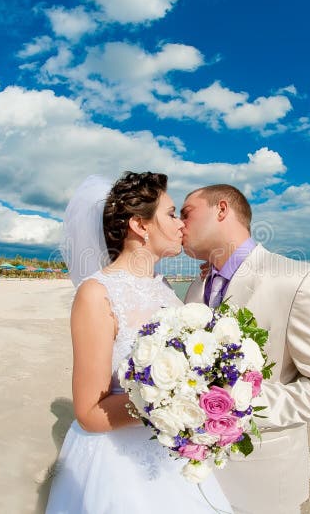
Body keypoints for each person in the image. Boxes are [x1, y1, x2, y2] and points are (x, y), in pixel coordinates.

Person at [45, 173, 232, 514]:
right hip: (119, 465)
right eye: (171, 214)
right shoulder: (97, 293)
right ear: (140, 225)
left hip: (170, 454)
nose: (181, 224)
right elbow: (89, 413)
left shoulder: (165, 288)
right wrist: (169, 401)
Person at [181, 184, 310, 514]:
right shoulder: (196, 288)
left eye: (186, 213)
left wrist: (236, 405)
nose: (179, 224)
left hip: (263, 482)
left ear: (222, 210)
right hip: (198, 481)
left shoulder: (297, 280)